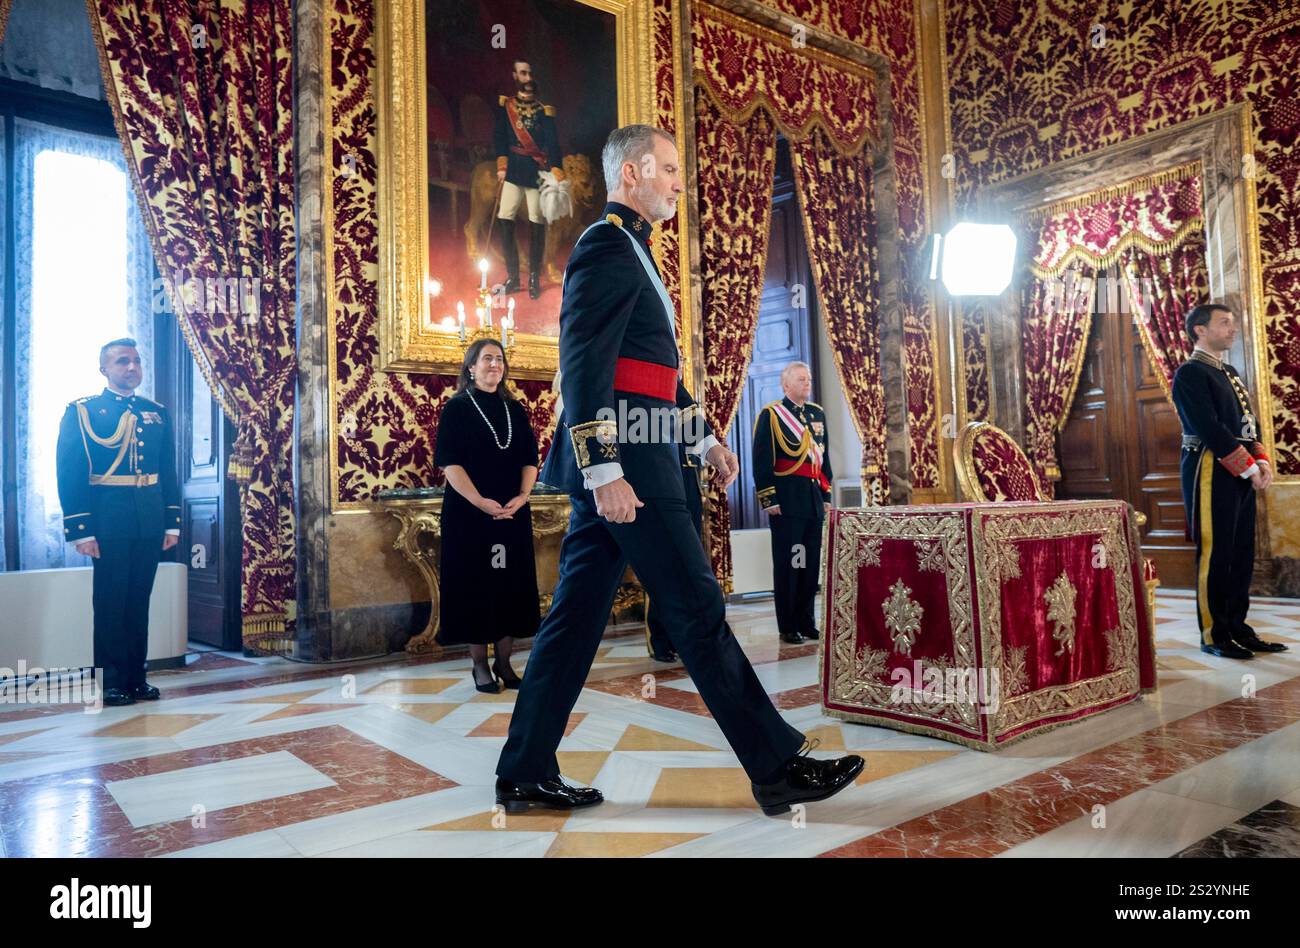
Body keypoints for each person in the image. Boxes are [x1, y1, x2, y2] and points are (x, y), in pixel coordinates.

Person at [495, 125, 863, 817]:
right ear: (631, 172)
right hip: (629, 468)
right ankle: (777, 765)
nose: (677, 182)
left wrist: (703, 441)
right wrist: (603, 469)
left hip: (648, 456)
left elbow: (653, 377)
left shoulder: (633, 249)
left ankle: (524, 771)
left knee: (574, 621)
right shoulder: (605, 245)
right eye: (667, 169)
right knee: (697, 609)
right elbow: (584, 366)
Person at [56, 338, 180, 706]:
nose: (132, 368)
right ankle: (111, 681)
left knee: (139, 600)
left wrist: (171, 522)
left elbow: (168, 471)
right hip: (108, 521)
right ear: (105, 370)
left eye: (136, 361)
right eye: (123, 361)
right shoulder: (84, 411)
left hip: (149, 519)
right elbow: (70, 472)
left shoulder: (155, 411)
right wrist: (82, 530)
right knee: (110, 601)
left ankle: (136, 677)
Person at [1171, 303, 1286, 659]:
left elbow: (1247, 423)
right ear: (1199, 330)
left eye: (1232, 323)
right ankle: (1214, 634)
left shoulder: (1230, 372)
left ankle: (1238, 627)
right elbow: (1209, 428)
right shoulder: (1190, 373)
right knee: (1216, 552)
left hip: (1239, 470)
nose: (1231, 330)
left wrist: (1261, 459)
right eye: (1223, 324)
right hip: (1209, 467)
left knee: (1240, 553)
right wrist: (1248, 467)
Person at [434, 339, 541, 691]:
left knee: (510, 586)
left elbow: (530, 459)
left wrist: (523, 496)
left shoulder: (516, 410)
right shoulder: (457, 408)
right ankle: (480, 666)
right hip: (470, 516)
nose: (494, 364)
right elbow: (451, 464)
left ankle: (506, 664)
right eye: (487, 359)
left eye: (499, 359)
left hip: (511, 513)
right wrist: (480, 501)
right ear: (471, 367)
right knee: (475, 587)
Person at [752, 362, 833, 644]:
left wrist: (826, 496)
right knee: (790, 563)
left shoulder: (816, 414)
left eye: (808, 379)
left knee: (810, 563)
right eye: (801, 380)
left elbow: (825, 460)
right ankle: (788, 625)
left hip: (811, 499)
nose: (807, 383)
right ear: (786, 385)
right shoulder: (772, 415)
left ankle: (806, 621)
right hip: (786, 501)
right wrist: (769, 498)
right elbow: (762, 461)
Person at [494, 60, 564, 299]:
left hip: (535, 173)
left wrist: (556, 169)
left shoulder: (544, 111)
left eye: (530, 77)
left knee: (536, 221)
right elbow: (500, 137)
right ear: (516, 80)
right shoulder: (507, 107)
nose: (526, 84)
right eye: (523, 76)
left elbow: (553, 143)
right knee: (505, 218)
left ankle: (534, 277)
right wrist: (502, 165)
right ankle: (513, 277)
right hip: (513, 170)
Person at [643, 445, 705, 662]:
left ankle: (684, 638)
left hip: (689, 486)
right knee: (661, 569)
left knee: (688, 570)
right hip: (660, 485)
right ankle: (659, 639)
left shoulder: (690, 412)